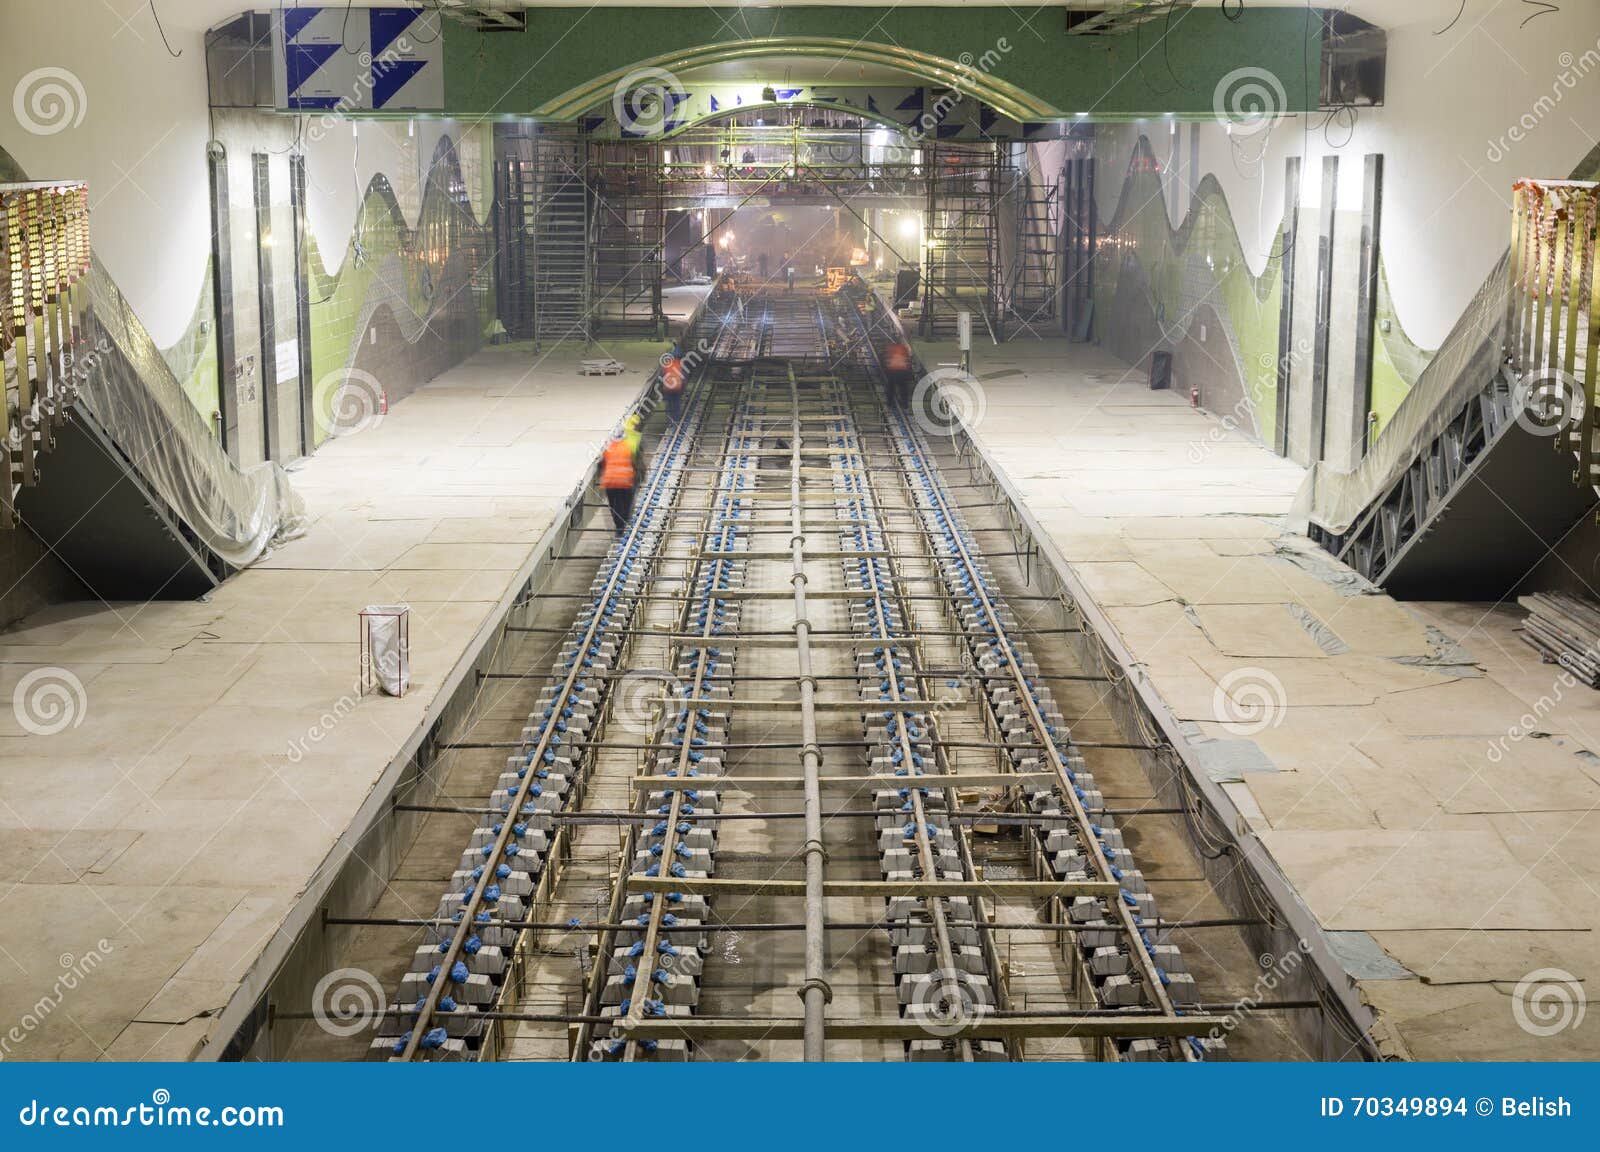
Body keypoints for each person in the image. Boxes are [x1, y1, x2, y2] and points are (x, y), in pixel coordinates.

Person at [598, 430, 636, 534]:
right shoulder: (627, 447)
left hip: (610, 483)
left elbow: (601, 464)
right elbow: (633, 463)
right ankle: (625, 521)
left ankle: (619, 526)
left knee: (614, 504)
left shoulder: (607, 448)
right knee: (626, 502)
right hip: (625, 481)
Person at [884, 338, 914, 408]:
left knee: (890, 388)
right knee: (903, 389)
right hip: (902, 371)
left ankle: (890, 403)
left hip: (893, 370)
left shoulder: (890, 348)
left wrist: (886, 370)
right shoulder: (904, 348)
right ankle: (905, 404)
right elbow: (908, 359)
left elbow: (886, 360)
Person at [660, 347, 686, 424]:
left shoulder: (667, 364)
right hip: (677, 388)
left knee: (669, 404)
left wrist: (662, 388)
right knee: (676, 404)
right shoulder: (680, 364)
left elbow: (662, 376)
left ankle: (670, 420)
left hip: (668, 388)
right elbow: (683, 377)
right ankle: (676, 419)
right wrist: (683, 389)